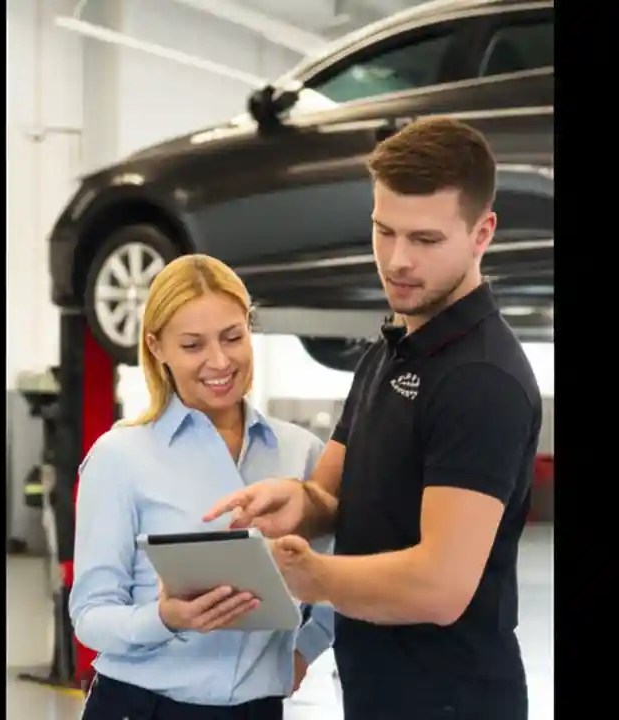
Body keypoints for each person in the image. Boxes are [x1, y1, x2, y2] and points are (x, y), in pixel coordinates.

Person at [204, 117, 543, 720]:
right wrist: (298, 503)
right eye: (383, 232)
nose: (397, 260)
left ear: (481, 232)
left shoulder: (482, 381)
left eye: (425, 240)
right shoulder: (389, 350)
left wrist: (315, 580)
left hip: (456, 701)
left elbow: (441, 586)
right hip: (376, 691)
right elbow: (330, 495)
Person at [68, 253, 335, 720]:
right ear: (156, 347)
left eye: (233, 337)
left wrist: (304, 651)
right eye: (192, 345)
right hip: (142, 706)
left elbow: (342, 575)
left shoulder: (302, 454)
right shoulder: (119, 457)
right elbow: (90, 615)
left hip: (257, 709)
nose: (219, 361)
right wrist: (164, 618)